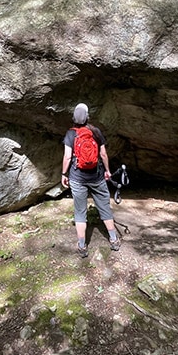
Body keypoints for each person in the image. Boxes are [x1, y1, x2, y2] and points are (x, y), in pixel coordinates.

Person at [61, 103, 121, 257]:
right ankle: (113, 239)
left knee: (80, 211)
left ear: (74, 117)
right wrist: (107, 171)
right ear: (88, 116)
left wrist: (63, 174)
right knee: (104, 207)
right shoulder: (96, 132)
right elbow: (103, 155)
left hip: (77, 178)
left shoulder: (70, 134)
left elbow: (68, 156)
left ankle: (82, 245)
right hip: (97, 176)